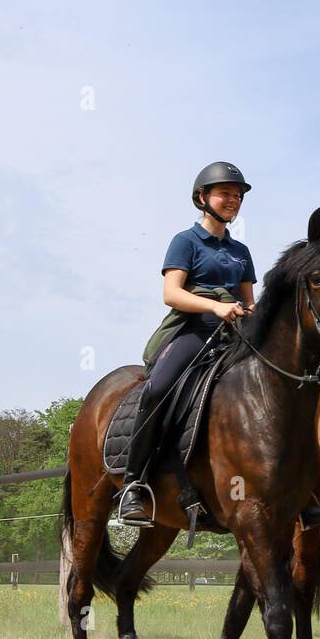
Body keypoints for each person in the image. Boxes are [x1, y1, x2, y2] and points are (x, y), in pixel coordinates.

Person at [116, 162, 256, 525]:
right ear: (202, 198)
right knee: (157, 388)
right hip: (194, 329)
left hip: (235, 333)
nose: (233, 200)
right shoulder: (186, 241)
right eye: (225, 193)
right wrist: (214, 305)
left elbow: (249, 300)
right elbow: (171, 294)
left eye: (237, 195)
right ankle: (133, 485)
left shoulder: (241, 250)